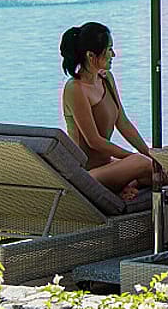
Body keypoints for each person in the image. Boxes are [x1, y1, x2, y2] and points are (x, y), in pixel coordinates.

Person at [59, 22, 157, 200]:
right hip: (87, 175)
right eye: (109, 49)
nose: (114, 54)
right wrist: (134, 158)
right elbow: (94, 141)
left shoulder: (106, 79)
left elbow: (123, 123)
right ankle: (127, 183)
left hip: (108, 166)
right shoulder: (75, 89)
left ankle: (127, 184)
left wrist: (150, 153)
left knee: (164, 158)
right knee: (143, 163)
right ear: (91, 55)